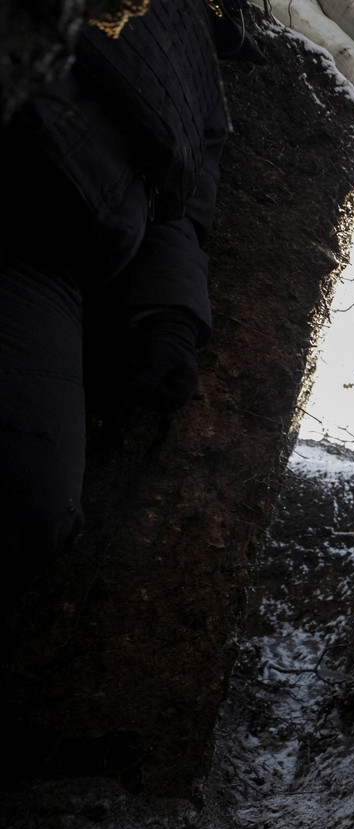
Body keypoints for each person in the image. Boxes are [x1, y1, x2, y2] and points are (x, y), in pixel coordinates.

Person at [0, 0, 246, 588]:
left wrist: (171, 318)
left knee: (32, 500)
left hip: (52, 259)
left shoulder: (206, 75)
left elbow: (181, 207)